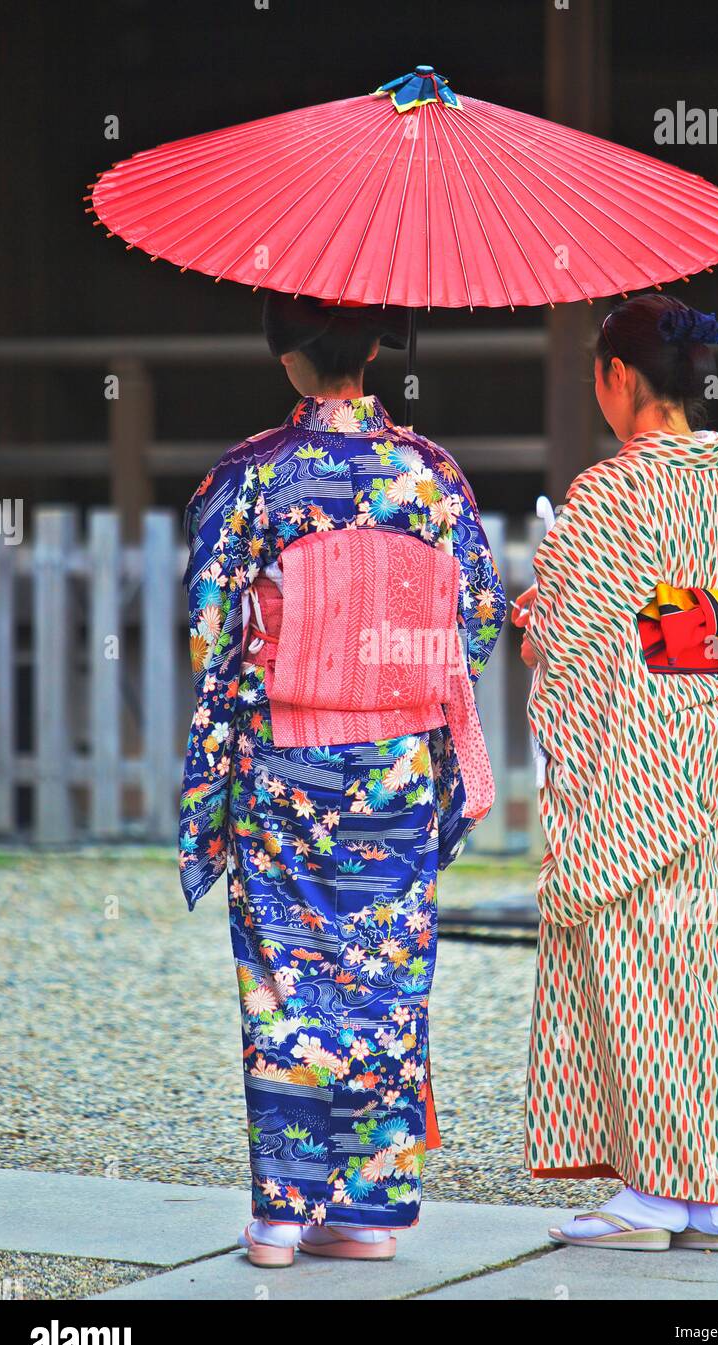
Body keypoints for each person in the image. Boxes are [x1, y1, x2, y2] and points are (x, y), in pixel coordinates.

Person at [178, 289, 505, 1265]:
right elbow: (477, 622)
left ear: (284, 353)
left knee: (283, 975)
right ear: (374, 348)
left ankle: (282, 1211)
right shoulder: (430, 476)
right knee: (384, 973)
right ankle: (365, 1211)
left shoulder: (252, 479)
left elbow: (209, 627)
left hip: (286, 763)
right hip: (397, 767)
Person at [516, 293, 718, 1251]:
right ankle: (708, 1189)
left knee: (629, 971)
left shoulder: (604, 495)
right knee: (695, 973)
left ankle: (656, 1194)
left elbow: (573, 648)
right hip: (700, 746)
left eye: (598, 374)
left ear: (619, 378)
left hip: (625, 762)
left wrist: (538, 619)